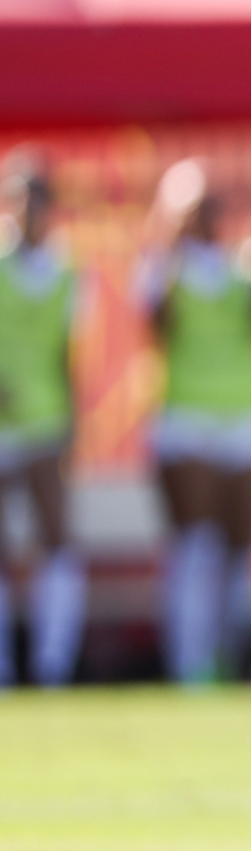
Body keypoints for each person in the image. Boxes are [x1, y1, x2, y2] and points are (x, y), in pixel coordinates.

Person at [138, 159, 251, 684]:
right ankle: (189, 664)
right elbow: (157, 326)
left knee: (240, 551)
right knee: (195, 546)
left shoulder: (244, 268)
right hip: (186, 419)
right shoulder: (162, 269)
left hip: (241, 418)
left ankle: (232, 660)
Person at [0, 159, 84, 687]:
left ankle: (54, 662)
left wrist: (73, 418)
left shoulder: (65, 274)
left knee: (56, 538)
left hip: (45, 419)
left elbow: (66, 355)